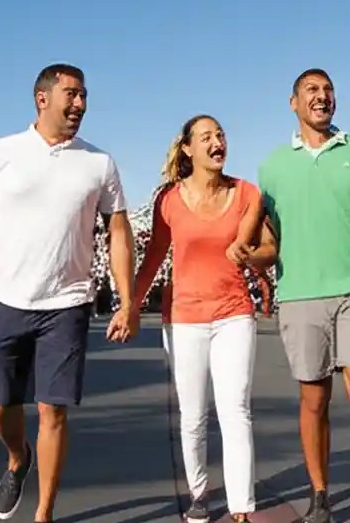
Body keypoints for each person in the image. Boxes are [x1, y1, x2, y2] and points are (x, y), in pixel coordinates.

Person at [0, 63, 140, 523]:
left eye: (84, 96)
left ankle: (44, 514)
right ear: (42, 98)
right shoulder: (1, 153)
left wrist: (127, 299)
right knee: (1, 406)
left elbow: (118, 232)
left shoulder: (99, 163)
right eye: (71, 94)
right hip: (9, 301)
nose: (79, 104)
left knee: (52, 412)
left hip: (68, 305)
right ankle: (18, 458)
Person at [252, 68, 350, 523]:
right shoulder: (272, 167)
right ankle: (320, 497)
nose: (321, 97)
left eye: (328, 90)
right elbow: (269, 242)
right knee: (314, 400)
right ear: (294, 103)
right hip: (300, 297)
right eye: (311, 91)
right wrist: (249, 256)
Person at [134, 115, 267, 523]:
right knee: (193, 414)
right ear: (188, 149)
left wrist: (250, 257)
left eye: (221, 135)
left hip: (233, 313)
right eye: (206, 136)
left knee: (235, 409)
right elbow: (155, 254)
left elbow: (262, 249)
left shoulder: (247, 193)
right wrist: (131, 305)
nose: (217, 142)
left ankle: (242, 506)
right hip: (185, 316)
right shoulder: (168, 200)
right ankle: (198, 494)